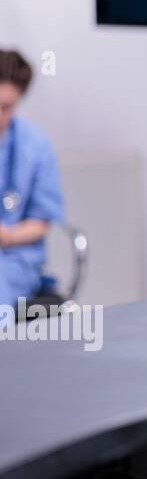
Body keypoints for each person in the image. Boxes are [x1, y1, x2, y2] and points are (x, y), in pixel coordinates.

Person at [0, 50, 66, 312]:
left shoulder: (35, 146)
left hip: (13, 260)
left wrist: (6, 236)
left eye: (5, 108)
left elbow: (40, 223)